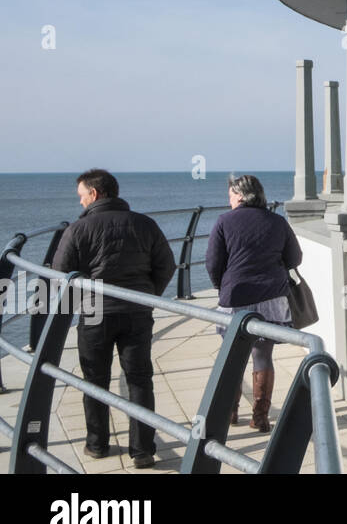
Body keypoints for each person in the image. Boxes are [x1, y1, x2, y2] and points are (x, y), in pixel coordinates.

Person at [52, 169, 176, 469]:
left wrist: (81, 304)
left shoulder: (78, 229)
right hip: (137, 311)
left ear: (94, 194)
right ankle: (142, 449)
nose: (81, 203)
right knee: (139, 379)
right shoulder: (145, 225)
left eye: (82, 196)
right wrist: (148, 295)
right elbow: (167, 265)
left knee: (95, 380)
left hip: (95, 315)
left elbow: (60, 275)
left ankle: (97, 445)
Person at [206, 174, 302, 433]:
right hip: (270, 297)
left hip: (235, 299)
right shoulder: (277, 222)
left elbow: (213, 263)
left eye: (230, 196)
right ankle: (260, 417)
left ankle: (230, 412)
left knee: (232, 357)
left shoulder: (224, 221)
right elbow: (295, 258)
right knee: (263, 356)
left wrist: (221, 286)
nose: (229, 201)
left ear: (238, 195)